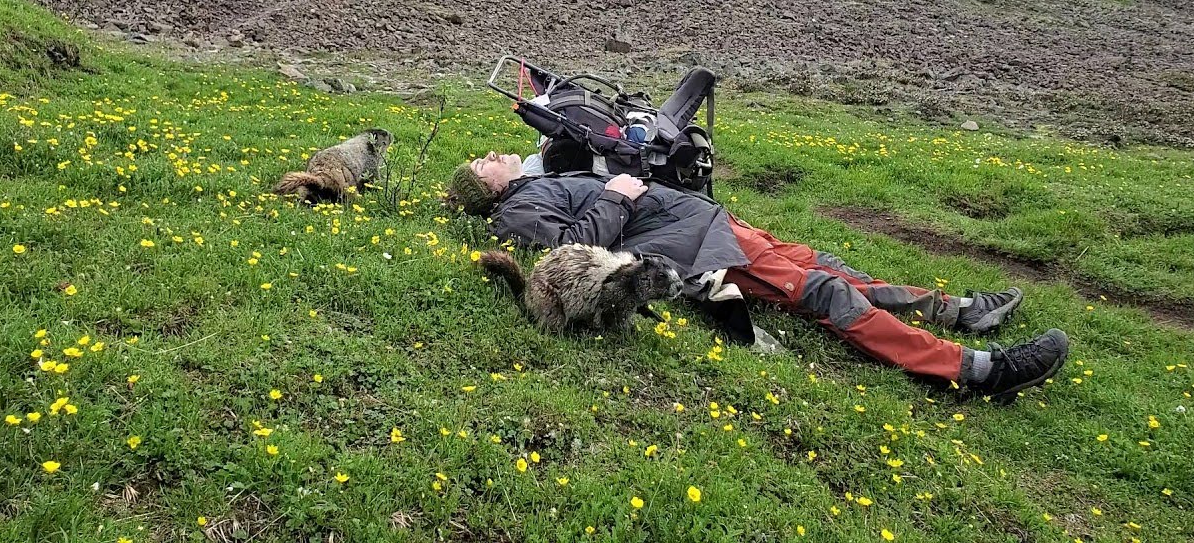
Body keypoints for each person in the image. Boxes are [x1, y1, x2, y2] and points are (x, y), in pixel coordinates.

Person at [445, 152, 1070, 400]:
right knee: (823, 292)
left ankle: (955, 309)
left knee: (824, 267)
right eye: (483, 164)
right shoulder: (517, 209)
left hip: (707, 220)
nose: (493, 156)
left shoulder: (535, 180)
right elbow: (576, 250)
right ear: (486, 189)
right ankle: (975, 369)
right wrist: (615, 193)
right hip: (692, 243)